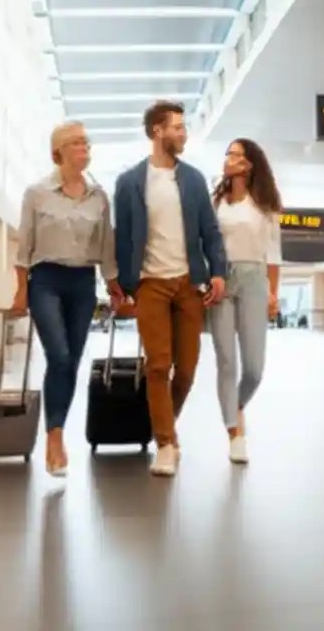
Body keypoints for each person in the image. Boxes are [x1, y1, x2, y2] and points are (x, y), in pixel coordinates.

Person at [113, 100, 227, 477]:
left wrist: (218, 272)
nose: (183, 133)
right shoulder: (129, 182)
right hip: (150, 286)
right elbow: (123, 236)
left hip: (189, 285)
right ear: (157, 131)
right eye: (176, 127)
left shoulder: (193, 179)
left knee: (188, 371)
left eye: (183, 127)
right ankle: (164, 443)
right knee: (158, 366)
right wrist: (121, 284)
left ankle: (167, 426)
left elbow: (210, 231)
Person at [12, 121, 122, 477]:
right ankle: (54, 437)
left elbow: (106, 248)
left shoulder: (99, 196)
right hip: (45, 279)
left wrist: (115, 287)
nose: (85, 148)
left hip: (82, 282)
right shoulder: (37, 193)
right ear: (58, 151)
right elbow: (24, 246)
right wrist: (21, 289)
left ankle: (56, 429)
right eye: (77, 143)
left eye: (87, 143)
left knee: (71, 361)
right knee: (57, 354)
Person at [207, 139, 283, 464]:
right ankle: (234, 434)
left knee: (253, 368)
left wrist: (272, 293)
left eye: (237, 154)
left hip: (254, 280)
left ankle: (236, 406)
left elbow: (274, 254)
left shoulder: (265, 204)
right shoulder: (216, 200)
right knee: (226, 360)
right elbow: (205, 243)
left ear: (250, 163)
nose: (230, 158)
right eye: (228, 154)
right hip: (221, 280)